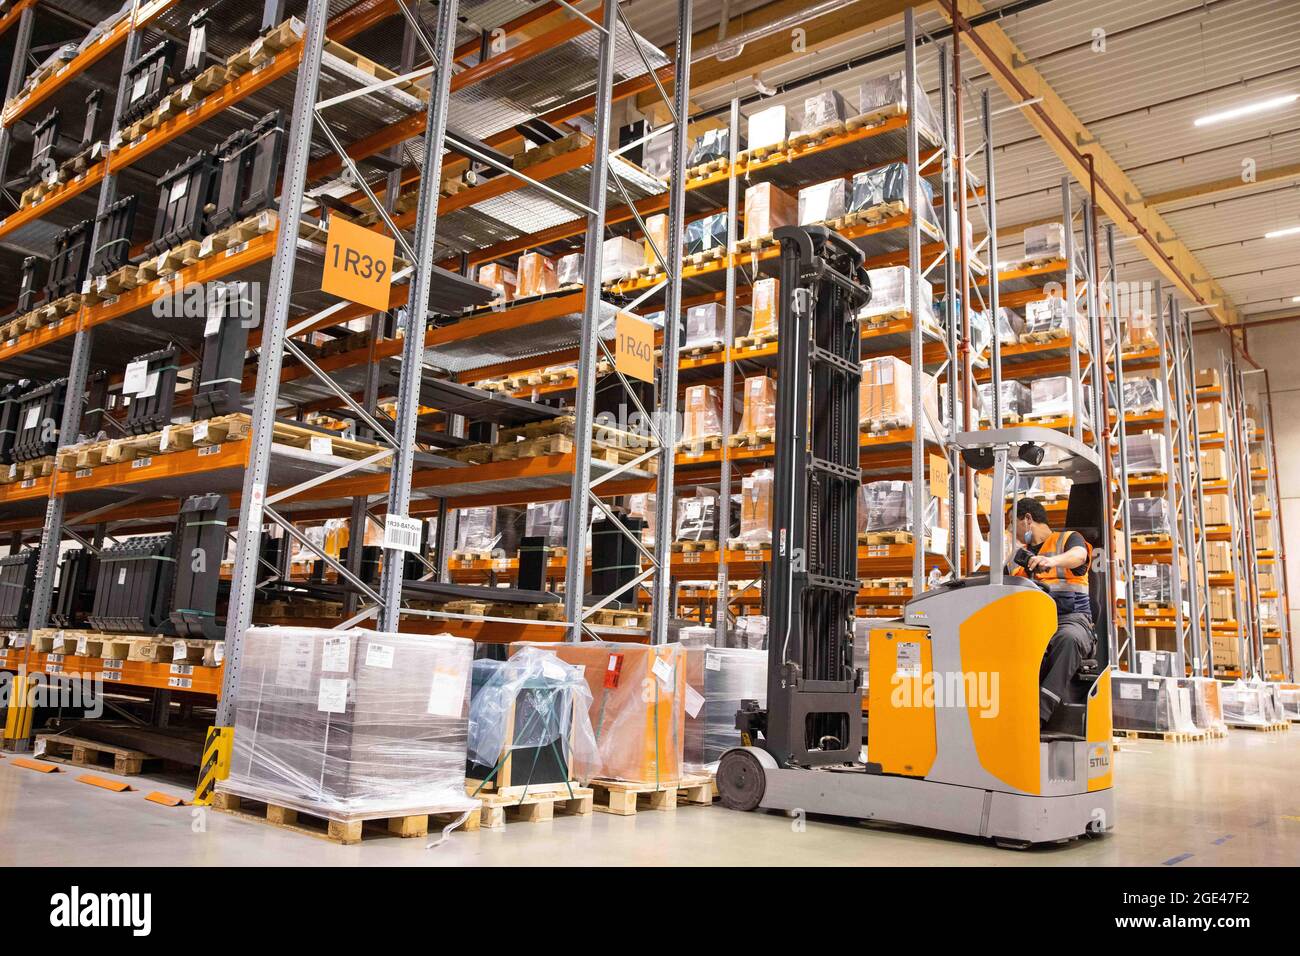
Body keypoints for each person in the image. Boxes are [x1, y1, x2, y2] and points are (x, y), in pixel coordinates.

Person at [1007, 498, 1096, 727]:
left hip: (1071, 620)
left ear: (1027, 519)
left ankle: (1038, 715)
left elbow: (1079, 555)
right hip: (1033, 623)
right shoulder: (1016, 559)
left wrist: (1051, 561)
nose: (1009, 529)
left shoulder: (1067, 540)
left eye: (1011, 522)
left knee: (1067, 640)